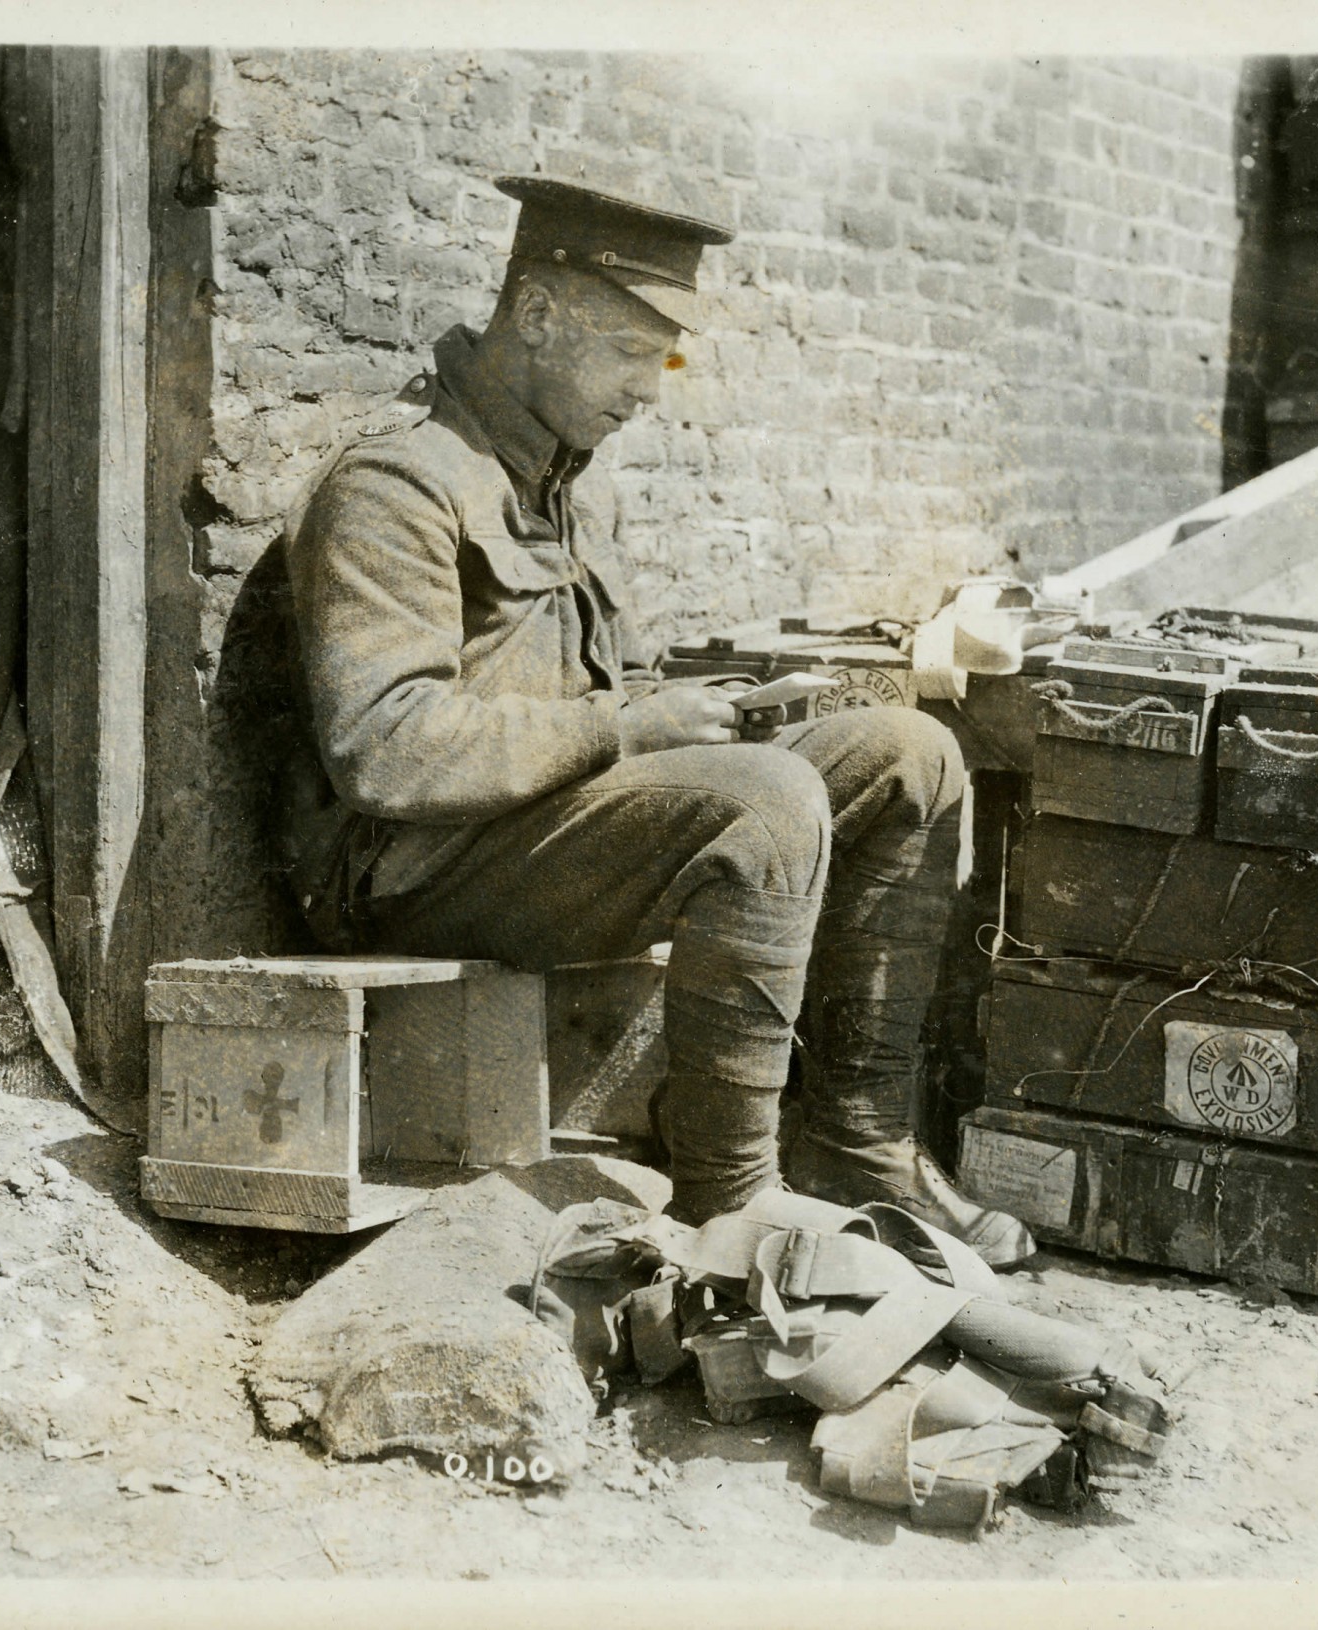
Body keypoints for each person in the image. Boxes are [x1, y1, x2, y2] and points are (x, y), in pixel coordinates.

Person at [275, 173, 1033, 1263]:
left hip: (531, 827)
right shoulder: (397, 483)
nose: (650, 390)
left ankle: (857, 1141)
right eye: (632, 353)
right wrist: (628, 733)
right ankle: (729, 1195)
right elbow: (382, 749)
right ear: (535, 314)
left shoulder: (547, 485)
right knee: (766, 804)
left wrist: (698, 716)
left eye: (661, 358)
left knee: (908, 755)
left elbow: (595, 693)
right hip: (406, 870)